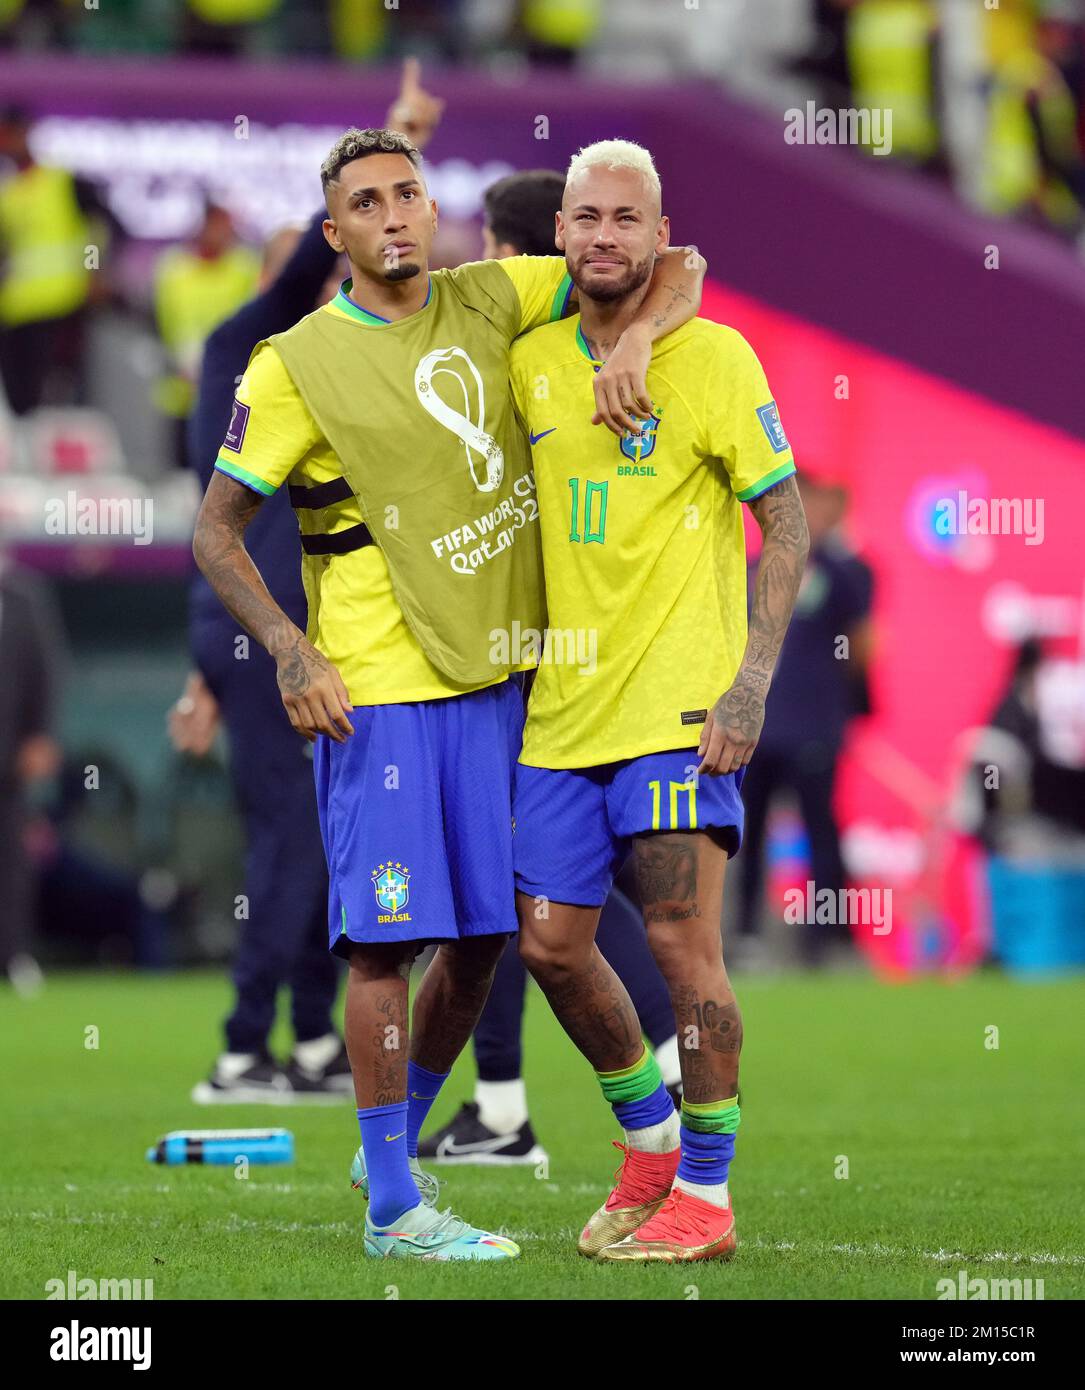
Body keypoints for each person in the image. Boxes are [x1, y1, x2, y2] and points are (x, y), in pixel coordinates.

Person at [192, 126, 705, 1261]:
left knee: (481, 942)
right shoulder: (294, 363)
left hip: (501, 680)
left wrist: (635, 342)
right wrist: (289, 651)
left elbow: (679, 266)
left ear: (433, 210)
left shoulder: (493, 295)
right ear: (336, 235)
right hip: (377, 694)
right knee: (386, 947)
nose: (392, 216)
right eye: (366, 203)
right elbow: (215, 530)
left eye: (407, 194)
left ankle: (397, 1152)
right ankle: (393, 1205)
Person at [508, 139, 809, 1262]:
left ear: (659, 235)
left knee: (683, 947)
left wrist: (750, 683)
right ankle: (649, 1138)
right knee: (548, 946)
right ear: (558, 233)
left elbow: (785, 523)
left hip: (681, 712)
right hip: (559, 716)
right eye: (585, 217)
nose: (603, 236)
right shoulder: (526, 362)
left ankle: (707, 1197)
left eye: (625, 219)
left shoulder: (716, 358)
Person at [175, 66, 446, 1103]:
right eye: (331, 243)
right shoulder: (247, 345)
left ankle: (311, 1039)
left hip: (271, 629)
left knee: (318, 843)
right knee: (296, 839)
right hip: (270, 631)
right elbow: (223, 531)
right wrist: (398, 133)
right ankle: (243, 1047)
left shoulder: (314, 367)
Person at [420, 167, 682, 1167]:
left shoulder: (544, 337)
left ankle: (514, 1105)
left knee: (510, 891)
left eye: (492, 243)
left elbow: (685, 263)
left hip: (532, 655)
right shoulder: (547, 339)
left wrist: (641, 337)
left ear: (521, 252)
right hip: (549, 648)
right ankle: (529, 1099)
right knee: (542, 890)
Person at [736, 476, 874, 964]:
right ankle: (745, 935)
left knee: (820, 829)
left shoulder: (847, 573)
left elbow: (863, 645)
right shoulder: (752, 569)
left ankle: (827, 937)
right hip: (756, 727)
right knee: (746, 831)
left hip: (815, 726)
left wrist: (845, 700)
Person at [0, 106, 115, 415]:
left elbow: (99, 226)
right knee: (19, 398)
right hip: (17, 307)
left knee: (57, 393)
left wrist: (93, 271)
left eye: (10, 134)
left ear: (25, 133)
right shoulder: (7, 192)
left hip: (62, 302)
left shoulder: (61, 180)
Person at [153, 202, 260, 467]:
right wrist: (180, 361)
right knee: (183, 467)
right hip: (183, 389)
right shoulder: (173, 269)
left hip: (232, 390)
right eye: (220, 225)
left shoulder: (245, 268)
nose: (226, 233)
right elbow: (161, 323)